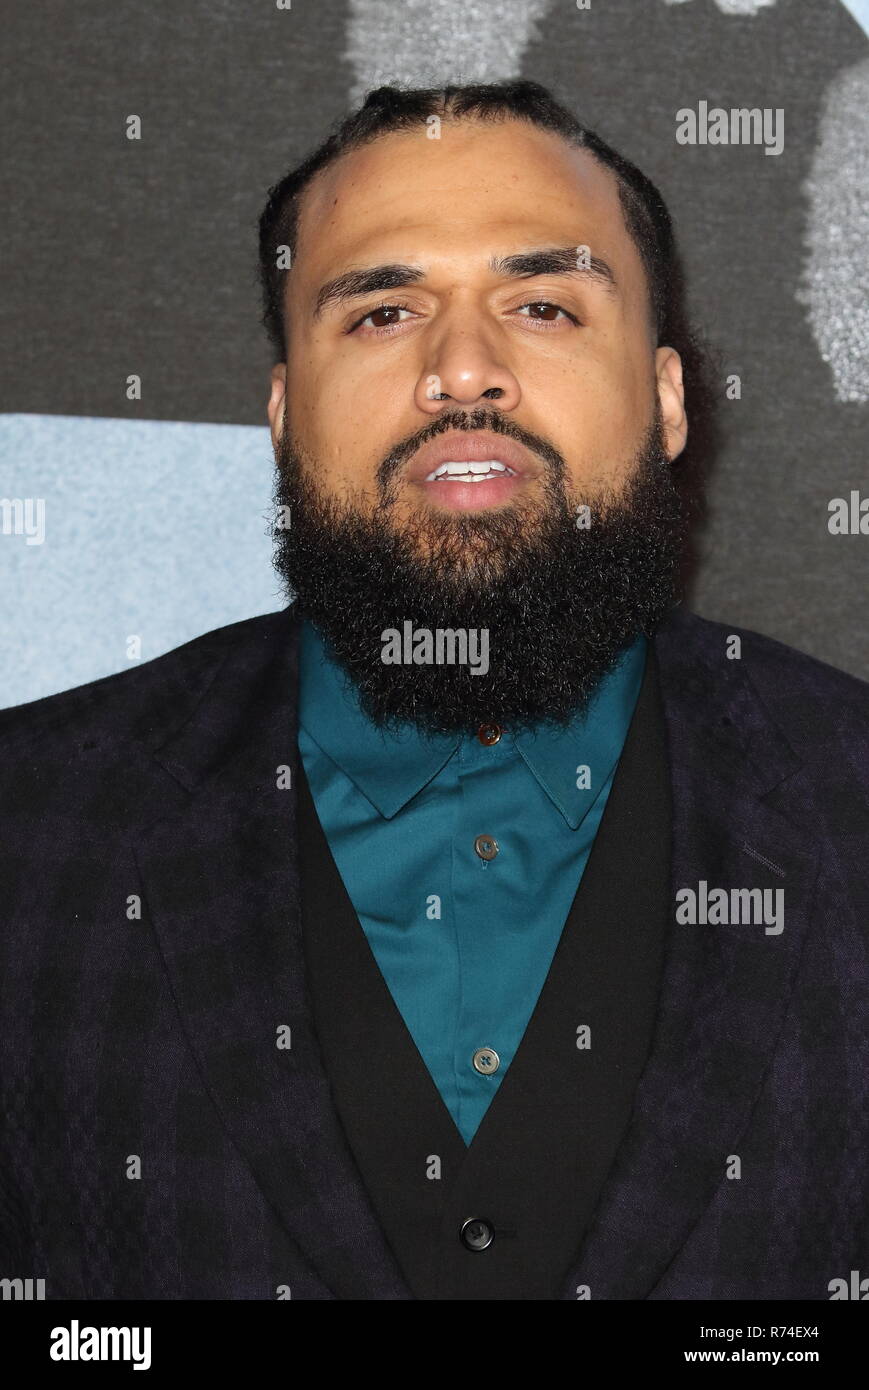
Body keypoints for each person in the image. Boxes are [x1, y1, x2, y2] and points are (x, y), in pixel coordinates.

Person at [1, 80, 866, 1301]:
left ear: (667, 399)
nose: (464, 370)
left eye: (544, 305)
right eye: (383, 311)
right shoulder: (29, 833)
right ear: (283, 410)